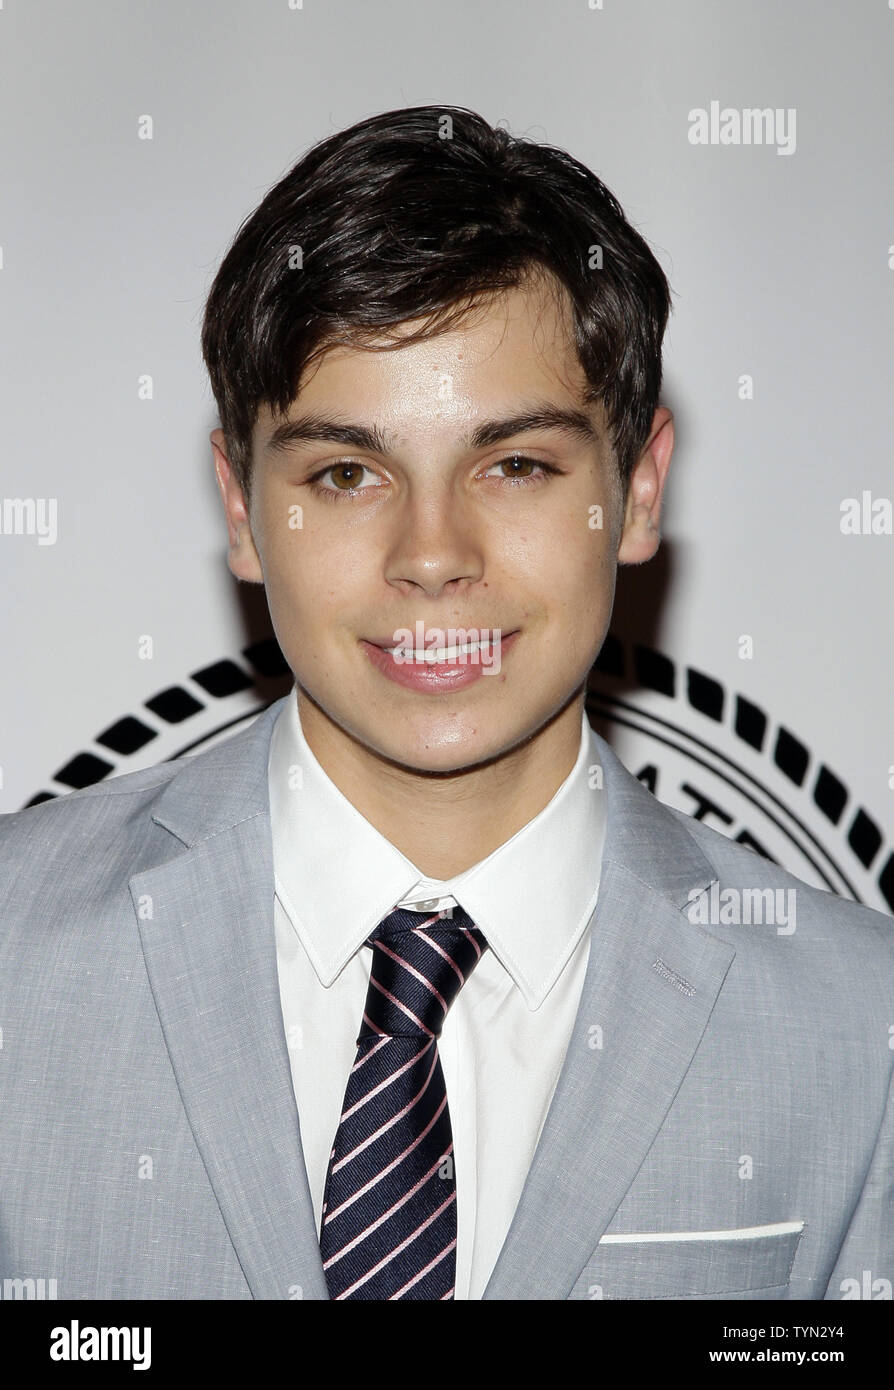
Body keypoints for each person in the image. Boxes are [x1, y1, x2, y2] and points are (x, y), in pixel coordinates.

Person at [1, 105, 892, 1302]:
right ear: (239, 506)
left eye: (515, 464)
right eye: (347, 473)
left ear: (635, 492)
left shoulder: (859, 1029)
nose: (433, 552)